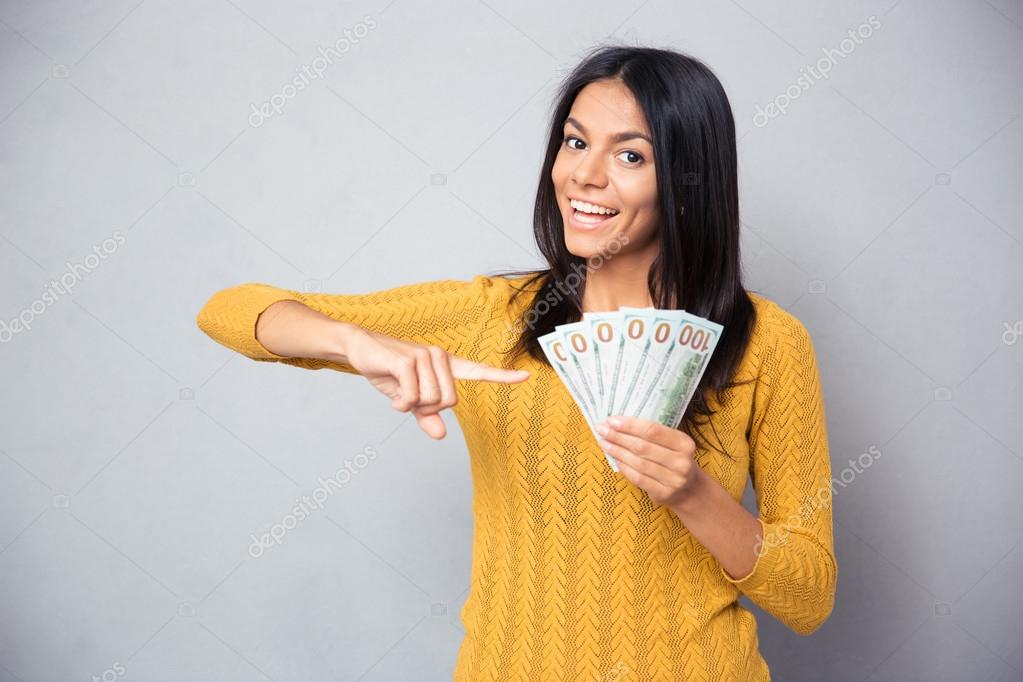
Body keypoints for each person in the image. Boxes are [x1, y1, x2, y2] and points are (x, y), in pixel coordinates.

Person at [196, 44, 837, 681]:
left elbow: (809, 598)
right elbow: (231, 312)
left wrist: (694, 494)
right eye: (575, 142)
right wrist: (353, 342)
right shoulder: (491, 315)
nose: (585, 175)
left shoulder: (768, 343)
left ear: (688, 179)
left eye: (631, 155)